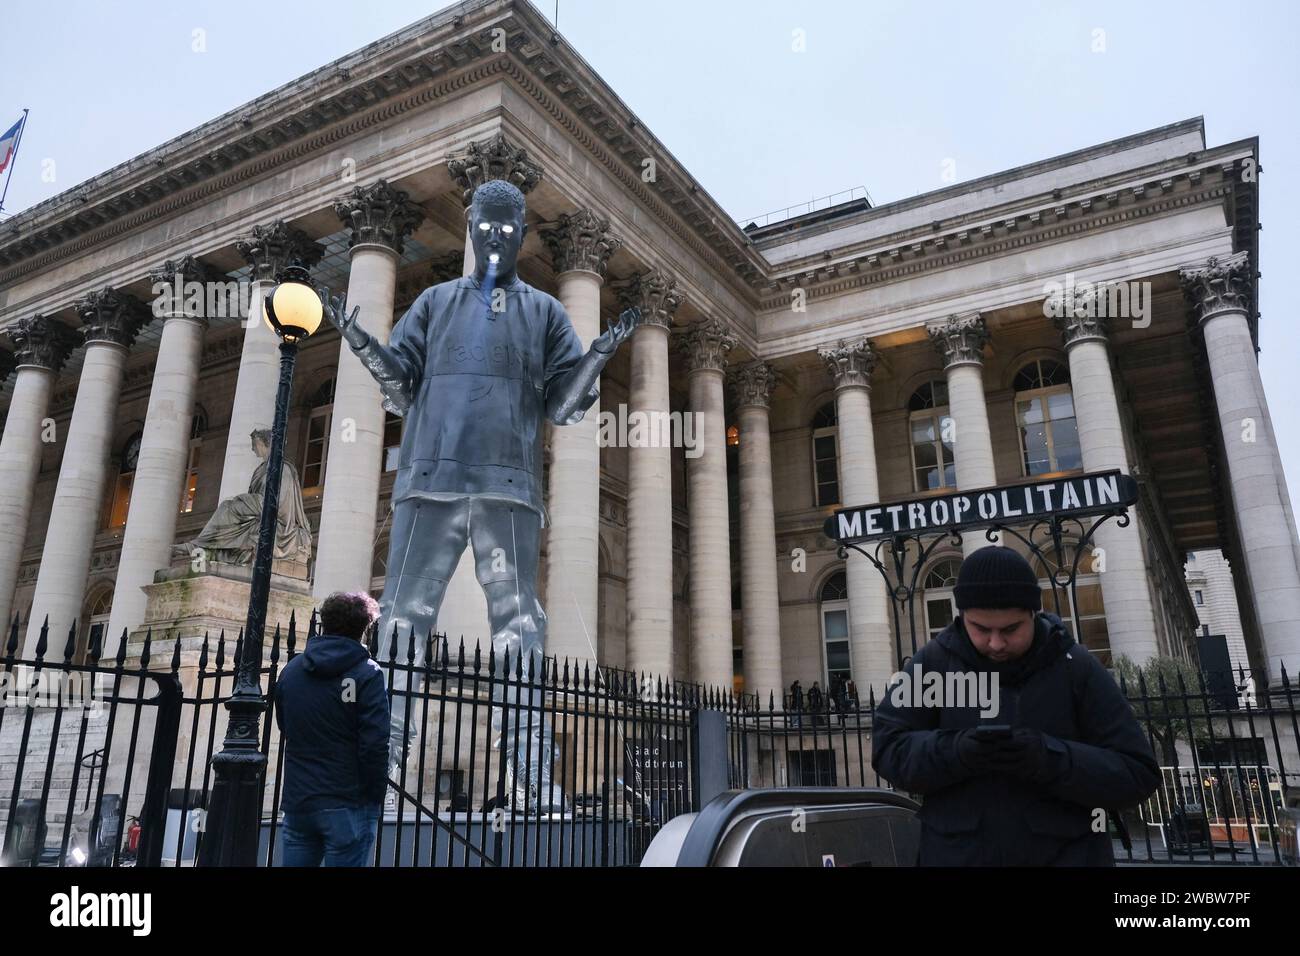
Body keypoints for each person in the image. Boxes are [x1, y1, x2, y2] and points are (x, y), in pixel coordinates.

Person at [320, 179, 641, 812]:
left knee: (519, 625)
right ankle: (384, 773)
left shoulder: (546, 312)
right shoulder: (435, 301)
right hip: (429, 482)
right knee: (405, 623)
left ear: (522, 232)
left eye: (506, 227)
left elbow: (564, 406)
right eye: (485, 227)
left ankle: (530, 776)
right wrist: (360, 343)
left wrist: (598, 353)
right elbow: (400, 385)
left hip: (509, 489)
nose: (494, 237)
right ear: (471, 230)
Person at [871, 546, 1159, 866]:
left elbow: (1138, 774)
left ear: (1033, 614)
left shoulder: (1075, 666)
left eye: (1010, 629)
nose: (996, 643)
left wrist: (1047, 756)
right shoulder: (932, 664)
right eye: (981, 629)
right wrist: (957, 750)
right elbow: (887, 751)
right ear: (962, 616)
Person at [274, 591, 387, 867]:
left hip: (300, 800)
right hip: (348, 801)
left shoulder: (291, 671)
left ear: (324, 622)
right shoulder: (368, 673)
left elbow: (285, 725)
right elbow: (374, 743)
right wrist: (374, 795)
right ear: (365, 629)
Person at [175, 427, 311, 565]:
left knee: (227, 507)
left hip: (273, 513)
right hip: (258, 509)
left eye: (254, 445)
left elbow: (281, 504)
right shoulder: (261, 468)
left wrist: (247, 501)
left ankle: (198, 546)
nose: (253, 449)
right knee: (228, 509)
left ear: (263, 443)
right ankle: (205, 548)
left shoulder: (283, 468)